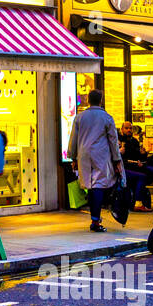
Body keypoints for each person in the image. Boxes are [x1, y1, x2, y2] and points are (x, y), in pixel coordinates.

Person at [67, 89, 123, 233]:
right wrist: (117, 159)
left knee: (90, 186)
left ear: (88, 101)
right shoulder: (107, 118)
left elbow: (73, 139)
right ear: (101, 100)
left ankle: (94, 218)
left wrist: (73, 157)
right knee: (98, 186)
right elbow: (113, 140)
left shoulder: (79, 117)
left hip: (84, 155)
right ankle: (95, 221)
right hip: (101, 155)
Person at [119, 120, 153, 211]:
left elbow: (138, 156)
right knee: (143, 176)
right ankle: (138, 202)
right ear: (122, 129)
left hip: (135, 165)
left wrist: (143, 154)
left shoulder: (134, 141)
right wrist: (120, 152)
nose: (129, 130)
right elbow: (117, 158)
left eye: (130, 128)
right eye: (126, 128)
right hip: (124, 168)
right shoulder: (119, 141)